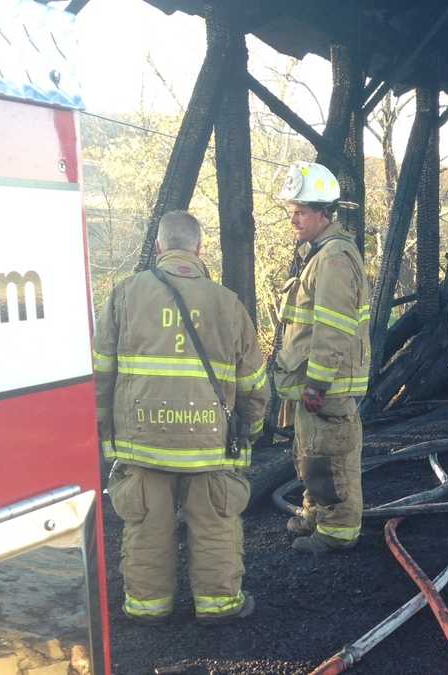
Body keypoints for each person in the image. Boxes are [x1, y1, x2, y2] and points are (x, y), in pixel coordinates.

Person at [93, 210, 269, 626]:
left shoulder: (124, 295)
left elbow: (101, 373)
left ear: (158, 247)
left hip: (142, 442)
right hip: (209, 443)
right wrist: (250, 430)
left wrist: (105, 431)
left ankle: (148, 608)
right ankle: (218, 606)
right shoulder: (227, 303)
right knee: (214, 525)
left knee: (146, 525)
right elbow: (253, 382)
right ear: (200, 248)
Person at [273, 162, 370, 554]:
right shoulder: (319, 254)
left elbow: (332, 326)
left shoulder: (332, 258)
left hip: (325, 383)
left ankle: (338, 531)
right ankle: (316, 513)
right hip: (313, 380)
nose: (293, 219)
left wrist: (317, 381)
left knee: (332, 456)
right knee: (312, 452)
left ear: (322, 213)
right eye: (291, 211)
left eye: (300, 212)